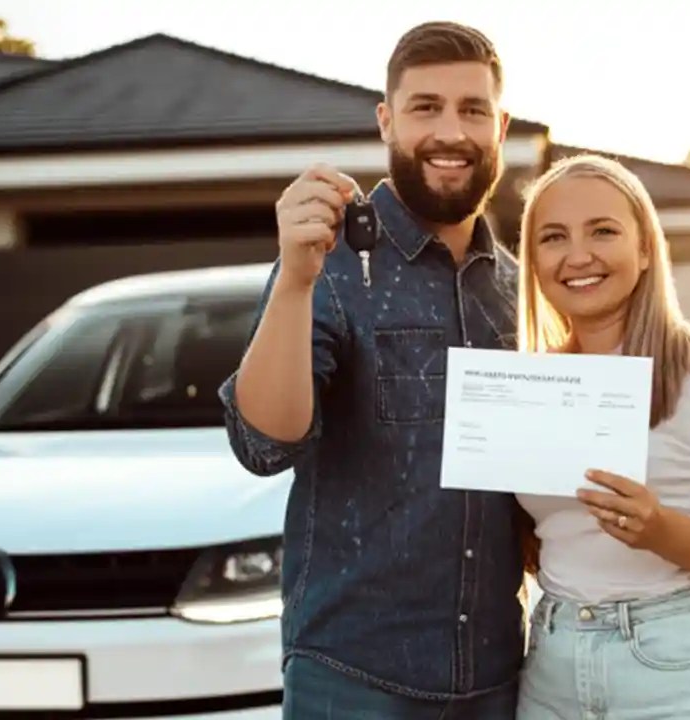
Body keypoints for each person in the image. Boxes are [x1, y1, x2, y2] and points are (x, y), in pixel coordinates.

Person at [218, 20, 525, 720]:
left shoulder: (518, 290)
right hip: (353, 678)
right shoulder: (325, 264)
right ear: (387, 121)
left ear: (500, 126)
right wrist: (295, 281)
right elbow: (264, 445)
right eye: (426, 107)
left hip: (497, 678)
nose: (451, 131)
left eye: (473, 109)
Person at [513, 154, 690, 719]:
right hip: (553, 665)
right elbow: (536, 543)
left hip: (677, 666)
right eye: (553, 237)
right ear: (533, 262)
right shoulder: (527, 386)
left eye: (603, 231)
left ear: (645, 250)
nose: (578, 255)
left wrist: (660, 530)